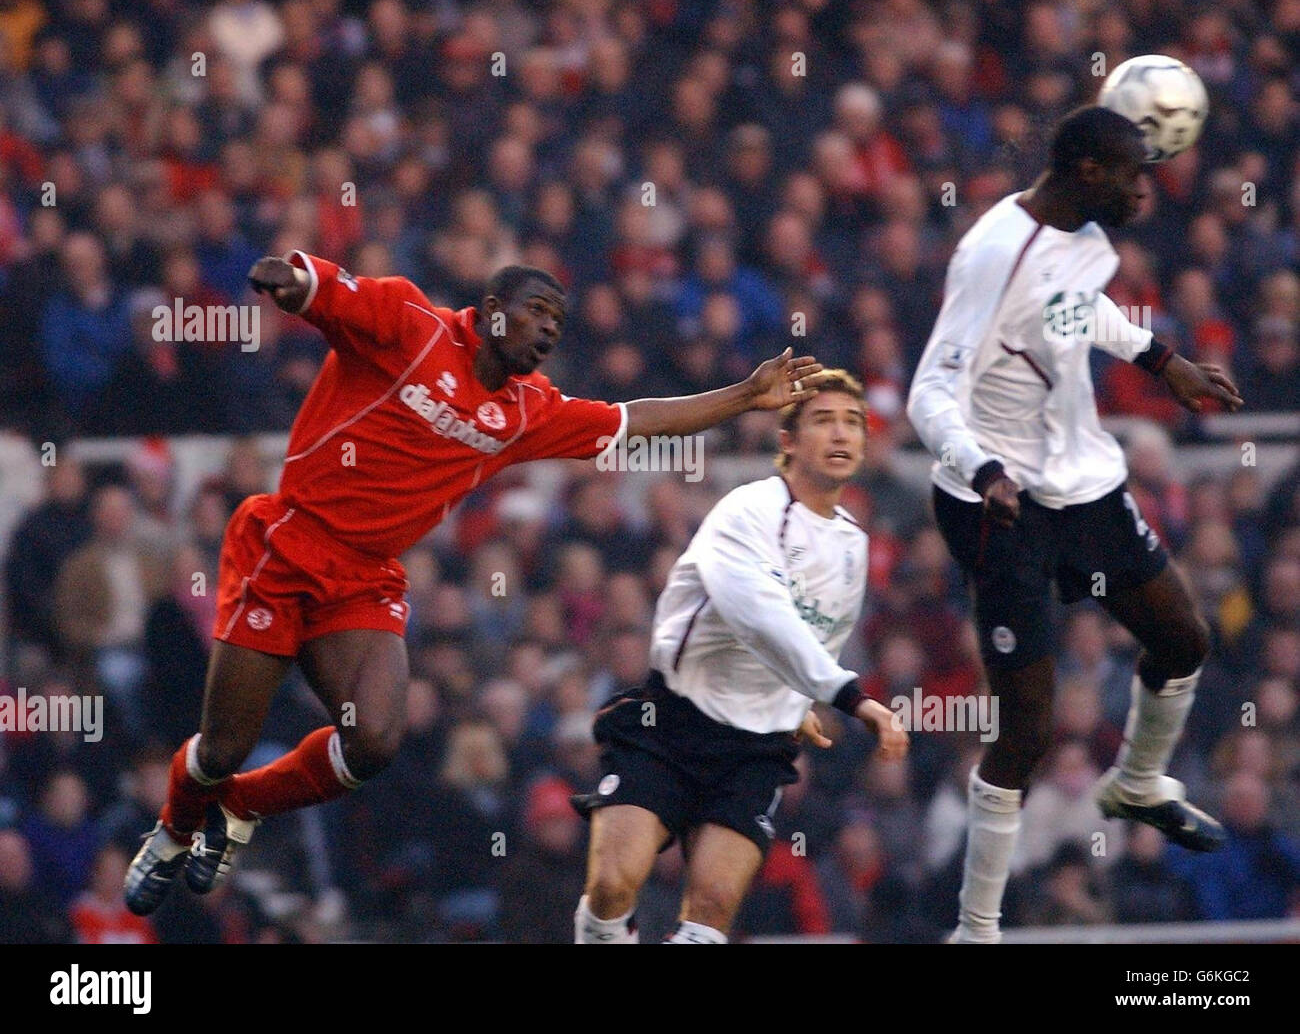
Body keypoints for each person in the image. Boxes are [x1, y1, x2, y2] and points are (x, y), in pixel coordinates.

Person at [125, 250, 823, 916]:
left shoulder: (528, 409)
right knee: (220, 747)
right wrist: (293, 278)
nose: (550, 327)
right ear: (492, 309)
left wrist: (745, 396)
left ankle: (243, 804)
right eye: (538, 310)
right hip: (286, 544)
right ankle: (177, 825)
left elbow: (633, 420)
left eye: (559, 320)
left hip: (364, 578)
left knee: (373, 741)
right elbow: (330, 292)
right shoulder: (409, 323)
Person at [906, 106, 1244, 944]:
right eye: (1134, 175)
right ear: (1088, 171)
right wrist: (981, 467)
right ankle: (976, 930)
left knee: (1184, 640)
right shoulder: (994, 252)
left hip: (1079, 479)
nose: (1144, 190)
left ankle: (1135, 781)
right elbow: (928, 391)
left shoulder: (1081, 238)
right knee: (1028, 727)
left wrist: (1164, 362)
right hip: (997, 498)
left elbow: (1071, 312)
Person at [571, 370, 908, 944]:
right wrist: (851, 697)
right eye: (824, 420)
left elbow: (817, 634)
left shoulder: (854, 542)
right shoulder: (747, 511)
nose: (841, 433)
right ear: (788, 442)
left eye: (853, 422)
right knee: (611, 883)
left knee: (713, 906)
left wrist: (795, 698)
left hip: (754, 749)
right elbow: (763, 617)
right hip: (673, 720)